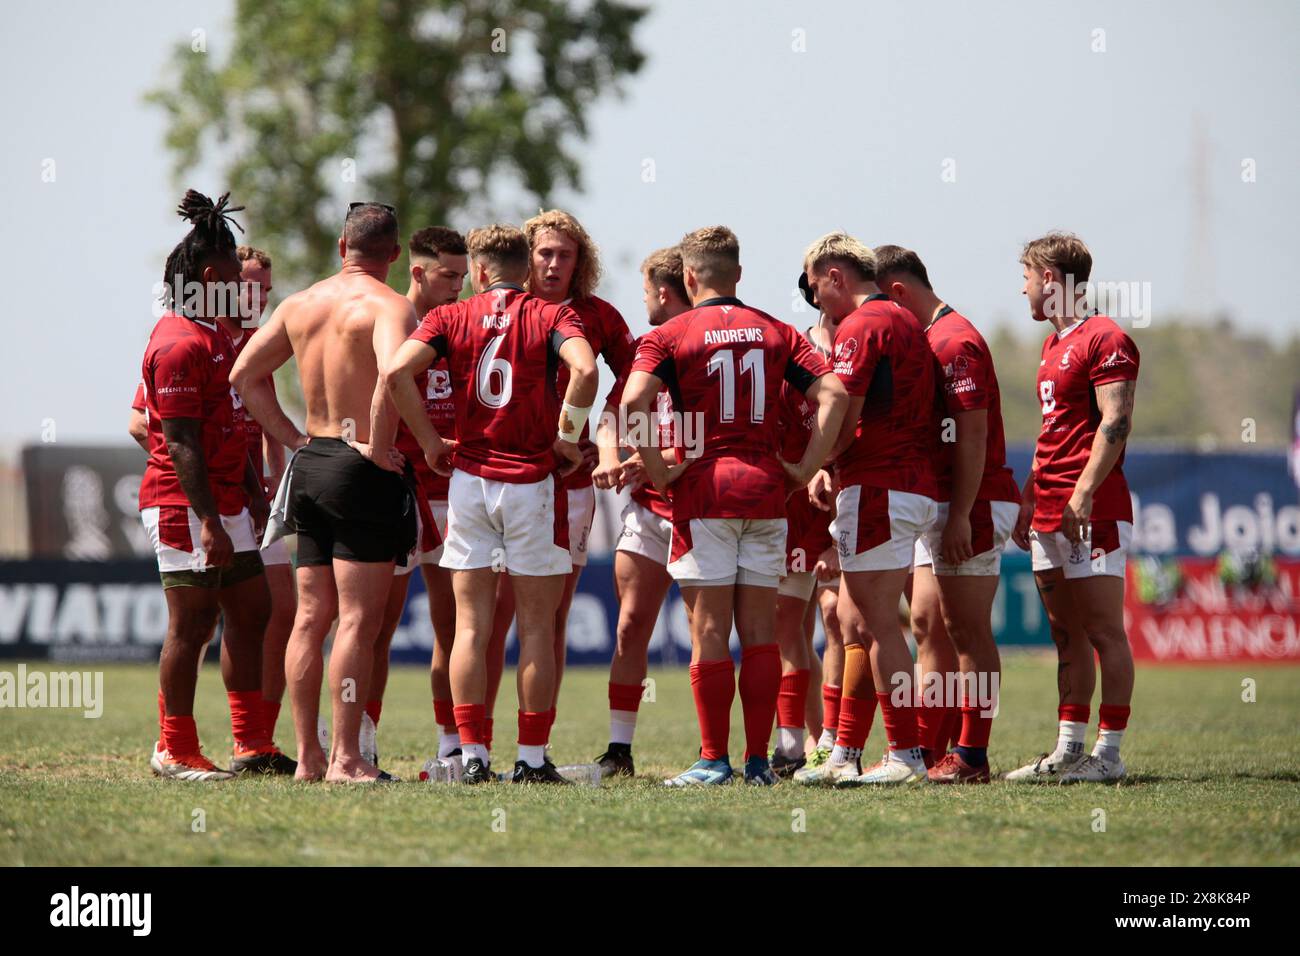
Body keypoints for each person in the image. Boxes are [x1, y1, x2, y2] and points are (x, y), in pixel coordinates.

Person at [624, 225, 846, 787]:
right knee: (762, 635)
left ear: (688, 277)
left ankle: (713, 760)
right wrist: (805, 468)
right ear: (739, 274)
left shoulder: (669, 334)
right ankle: (758, 763)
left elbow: (633, 401)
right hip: (766, 491)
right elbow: (834, 393)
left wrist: (658, 471)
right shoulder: (777, 331)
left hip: (705, 492)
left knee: (709, 632)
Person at [384, 224, 598, 785]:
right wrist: (568, 439)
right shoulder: (550, 314)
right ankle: (531, 759)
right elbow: (586, 369)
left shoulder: (450, 316)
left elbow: (395, 372)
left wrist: (430, 442)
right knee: (536, 627)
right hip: (530, 483)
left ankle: (472, 754)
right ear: (525, 270)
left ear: (479, 271)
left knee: (471, 628)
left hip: (470, 482)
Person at [230, 201, 418, 783]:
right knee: (357, 621)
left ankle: (308, 758)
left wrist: (293, 440)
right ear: (394, 254)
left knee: (310, 618)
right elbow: (392, 374)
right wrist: (378, 448)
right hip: (359, 469)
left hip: (311, 463)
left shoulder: (299, 303)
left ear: (342, 247)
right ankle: (346, 757)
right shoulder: (391, 306)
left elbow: (243, 375)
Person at [793, 232, 939, 787]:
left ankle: (905, 753)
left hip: (880, 486)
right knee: (854, 623)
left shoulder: (862, 324)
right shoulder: (904, 318)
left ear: (836, 275)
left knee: (879, 625)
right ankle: (845, 751)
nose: (814, 299)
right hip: (902, 482)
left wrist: (812, 464)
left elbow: (842, 410)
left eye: (815, 286)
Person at [138, 190, 272, 781]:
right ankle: (173, 748)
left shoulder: (213, 335)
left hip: (228, 499)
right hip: (184, 504)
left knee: (253, 607)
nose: (242, 285)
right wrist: (210, 521)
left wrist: (255, 494)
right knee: (191, 625)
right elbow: (181, 442)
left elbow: (230, 427)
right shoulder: (178, 343)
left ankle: (251, 744)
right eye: (234, 275)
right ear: (213, 277)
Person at [876, 244, 1021, 783]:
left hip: (972, 501)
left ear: (897, 293)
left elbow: (973, 436)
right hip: (939, 501)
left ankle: (972, 755)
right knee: (926, 623)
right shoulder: (927, 339)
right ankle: (929, 747)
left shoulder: (955, 340)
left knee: (966, 629)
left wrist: (960, 513)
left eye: (880, 304)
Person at [1006, 232, 1140, 784]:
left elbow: (1116, 420)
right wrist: (1029, 494)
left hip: (1094, 508)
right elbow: (1053, 432)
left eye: (1026, 277)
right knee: (1066, 635)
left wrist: (1082, 492)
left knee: (1104, 630)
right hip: (1048, 511)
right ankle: (1068, 748)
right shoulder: (1050, 345)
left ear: (1050, 279)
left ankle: (1109, 755)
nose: (1023, 290)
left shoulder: (1106, 336)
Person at [363, 226, 468, 768]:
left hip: (455, 494)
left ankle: (452, 745)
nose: (457, 286)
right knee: (376, 626)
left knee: (454, 627)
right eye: (448, 275)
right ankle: (360, 739)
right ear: (418, 272)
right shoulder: (392, 320)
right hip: (399, 489)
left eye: (463, 276)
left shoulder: (465, 323)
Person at [589, 246, 692, 777]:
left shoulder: (703, 342)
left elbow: (720, 436)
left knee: (707, 631)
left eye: (646, 290)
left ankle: (721, 753)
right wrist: (611, 457)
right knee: (630, 626)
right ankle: (619, 749)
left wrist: (654, 460)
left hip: (702, 508)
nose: (643, 300)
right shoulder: (645, 350)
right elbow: (611, 416)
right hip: (648, 510)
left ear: (664, 292)